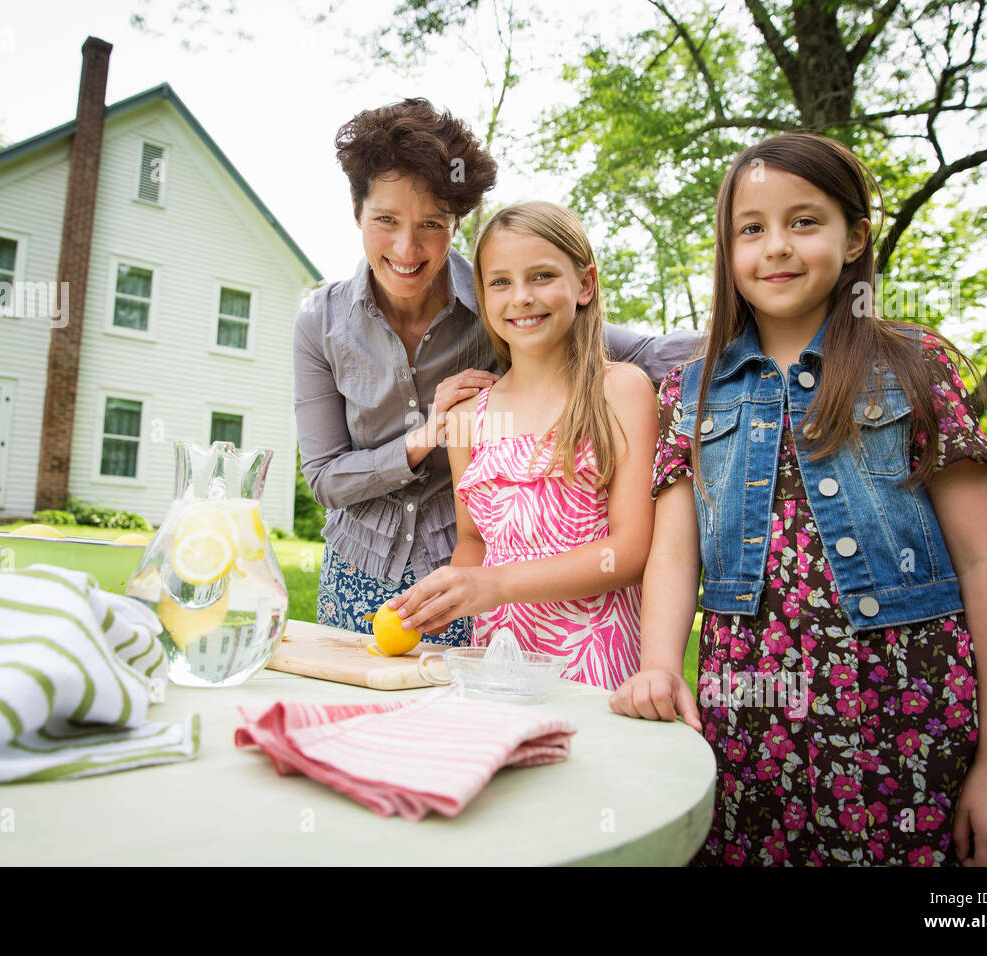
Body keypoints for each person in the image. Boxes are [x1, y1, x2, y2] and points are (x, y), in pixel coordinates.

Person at [610, 132, 987, 867]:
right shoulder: (690, 391)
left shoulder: (911, 367)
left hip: (907, 718)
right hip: (746, 722)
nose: (776, 246)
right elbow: (676, 554)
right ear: (728, 248)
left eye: (804, 221)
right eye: (752, 228)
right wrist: (658, 665)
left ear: (855, 239)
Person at [294, 99, 699, 646]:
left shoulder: (499, 304)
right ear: (356, 210)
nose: (407, 248)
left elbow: (634, 348)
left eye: (431, 225)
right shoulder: (320, 322)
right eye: (385, 219)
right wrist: (423, 438)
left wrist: (760, 321)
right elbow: (323, 477)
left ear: (455, 224)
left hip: (473, 580)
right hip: (362, 564)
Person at [388, 202, 657, 690]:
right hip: (500, 660)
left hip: (596, 664)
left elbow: (631, 550)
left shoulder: (619, 391)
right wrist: (444, 600)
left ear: (585, 284)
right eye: (501, 282)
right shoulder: (469, 415)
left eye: (542, 276)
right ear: (484, 296)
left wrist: (493, 584)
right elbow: (473, 541)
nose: (522, 297)